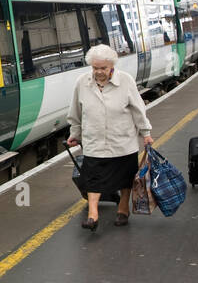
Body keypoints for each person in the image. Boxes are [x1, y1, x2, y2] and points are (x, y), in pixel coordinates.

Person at [66, 44, 153, 231]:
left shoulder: (126, 81)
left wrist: (146, 133)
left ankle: (123, 209)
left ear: (112, 66)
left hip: (123, 141)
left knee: (124, 178)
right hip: (94, 142)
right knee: (93, 178)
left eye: (103, 68)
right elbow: (76, 112)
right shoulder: (82, 83)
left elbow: (139, 110)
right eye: (95, 68)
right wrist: (75, 133)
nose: (99, 72)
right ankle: (93, 215)